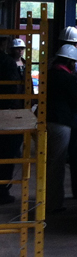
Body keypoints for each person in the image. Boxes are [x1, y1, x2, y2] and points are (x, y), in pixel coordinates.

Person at [44, 45, 77, 214]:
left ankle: (46, 199)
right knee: (57, 164)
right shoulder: (68, 79)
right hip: (62, 123)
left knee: (49, 162)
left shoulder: (48, 74)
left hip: (46, 120)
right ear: (69, 61)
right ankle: (54, 203)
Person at [56, 26, 77, 198]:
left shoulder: (52, 65)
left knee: (56, 158)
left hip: (56, 116)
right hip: (74, 115)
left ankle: (54, 195)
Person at [0, 37, 22, 205]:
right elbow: (14, 88)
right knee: (7, 154)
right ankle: (2, 192)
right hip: (6, 115)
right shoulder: (7, 63)